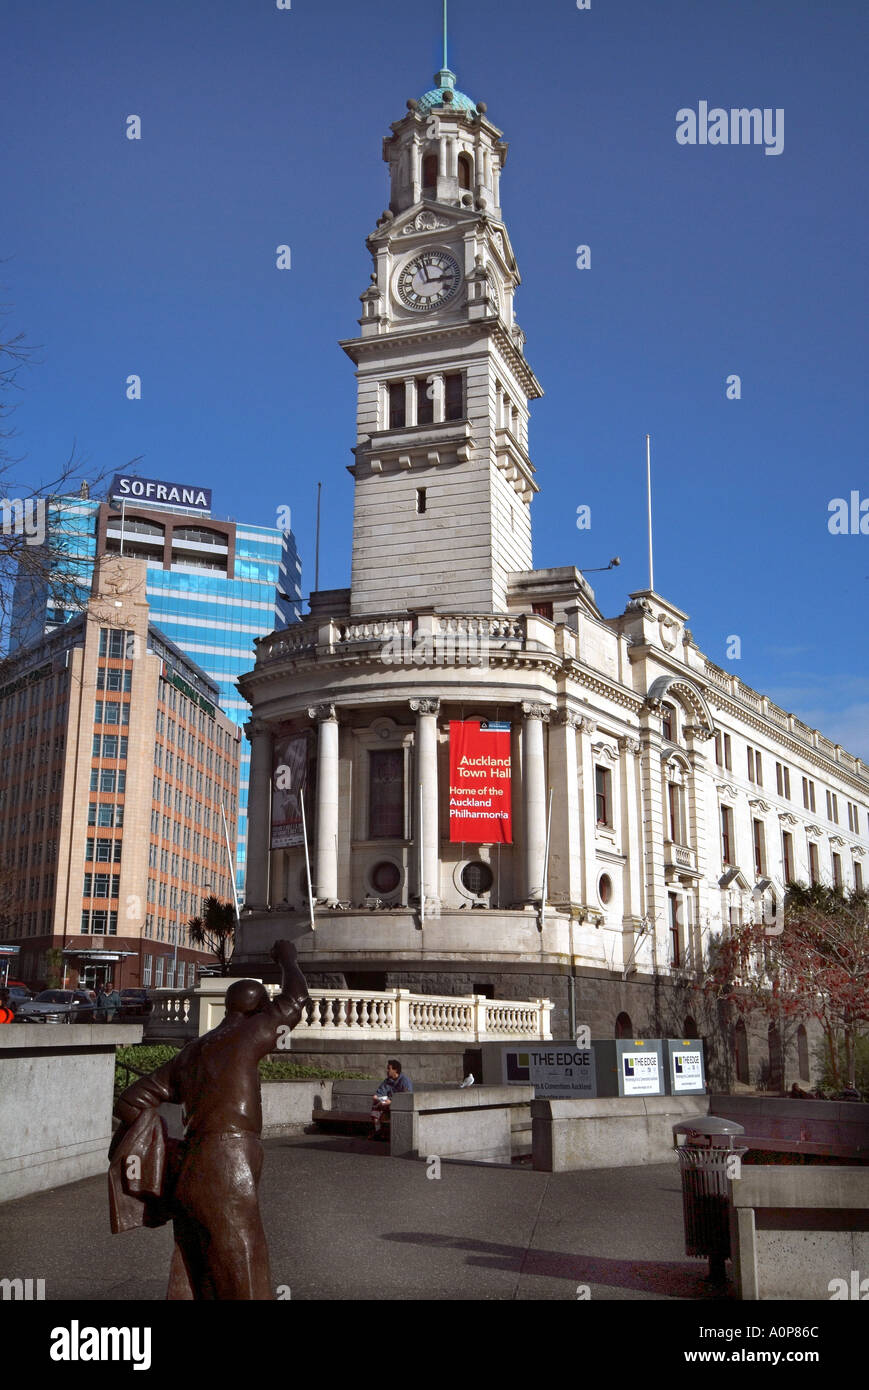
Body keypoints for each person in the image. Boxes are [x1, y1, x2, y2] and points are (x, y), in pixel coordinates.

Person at [109, 939, 310, 1299]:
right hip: (227, 1164)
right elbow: (296, 1000)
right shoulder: (249, 1034)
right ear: (257, 1010)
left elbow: (129, 1102)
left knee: (195, 1269)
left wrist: (161, 1142)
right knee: (244, 1266)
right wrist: (288, 957)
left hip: (191, 1164)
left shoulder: (191, 1052)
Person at [368, 1059, 413, 1140]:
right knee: (376, 1104)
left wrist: (391, 1102)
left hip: (401, 1105)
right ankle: (378, 1131)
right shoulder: (387, 1081)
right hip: (388, 1104)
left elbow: (406, 1098)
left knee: (384, 1104)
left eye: (389, 1068)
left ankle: (384, 1133)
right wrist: (382, 1100)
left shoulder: (404, 1081)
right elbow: (377, 1095)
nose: (387, 1070)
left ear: (395, 1070)